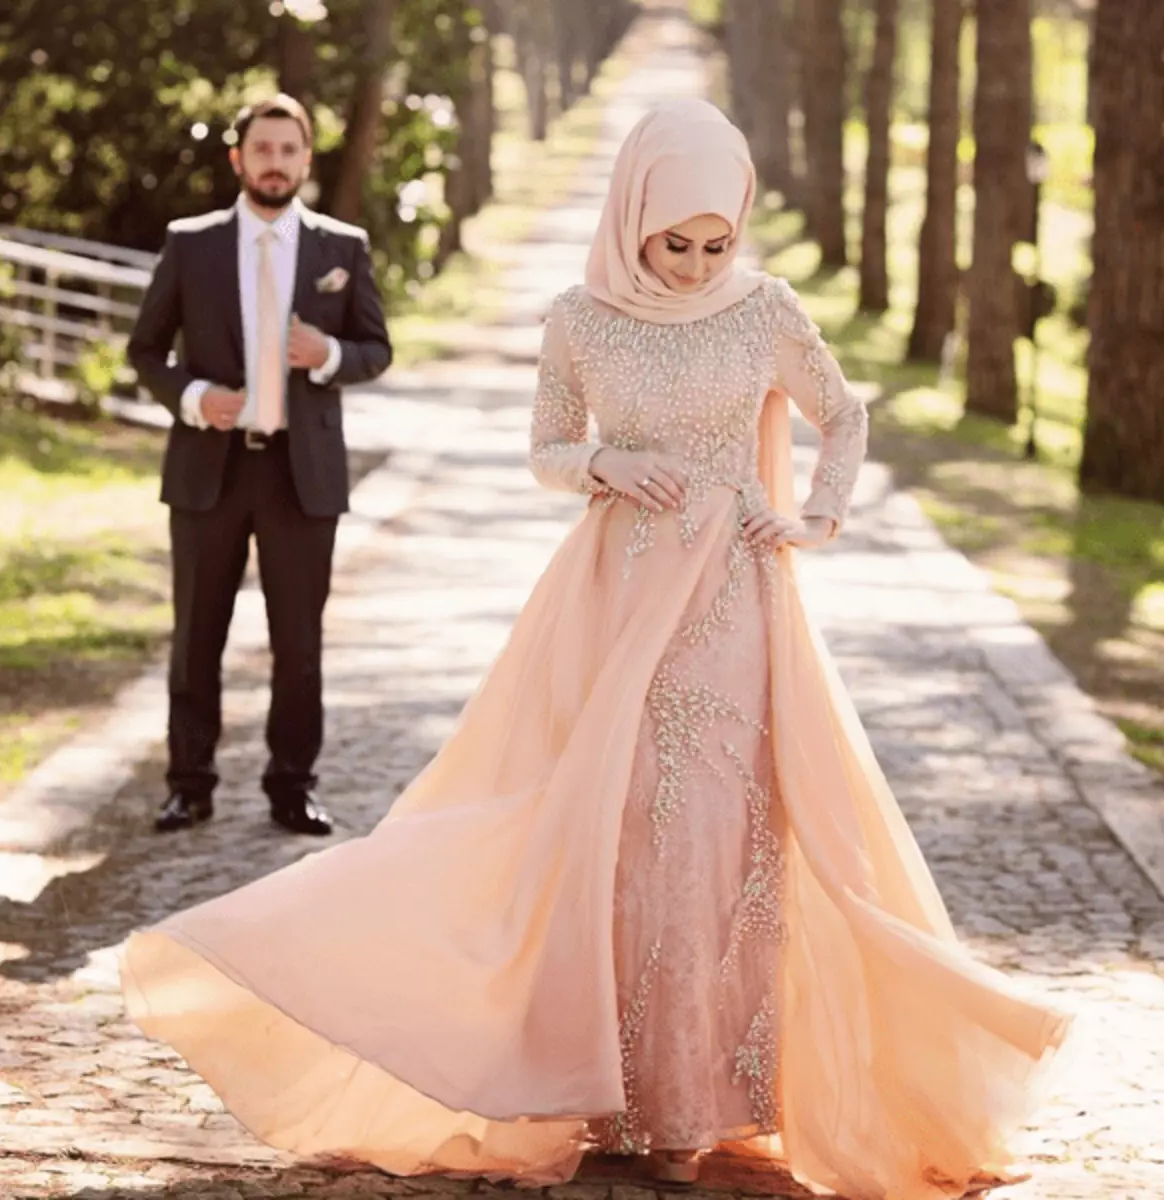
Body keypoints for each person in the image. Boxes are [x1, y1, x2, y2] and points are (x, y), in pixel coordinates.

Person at [121, 100, 1070, 1198]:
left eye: (718, 243)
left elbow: (844, 417)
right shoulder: (579, 316)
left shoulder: (765, 310)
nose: (697, 264)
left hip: (731, 602)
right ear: (634, 220)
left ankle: (694, 1101)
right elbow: (546, 449)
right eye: (677, 243)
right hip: (610, 598)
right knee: (600, 827)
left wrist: (813, 515)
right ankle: (606, 1092)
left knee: (713, 837)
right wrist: (603, 465)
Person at [128, 94, 392, 837]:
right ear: (238, 159)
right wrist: (193, 396)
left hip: (300, 476)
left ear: (306, 161)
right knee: (196, 638)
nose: (276, 163)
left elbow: (377, 348)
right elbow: (145, 351)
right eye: (263, 150)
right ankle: (189, 784)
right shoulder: (192, 243)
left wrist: (330, 356)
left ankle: (291, 786)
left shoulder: (343, 248)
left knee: (299, 644)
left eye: (289, 151)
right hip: (208, 471)